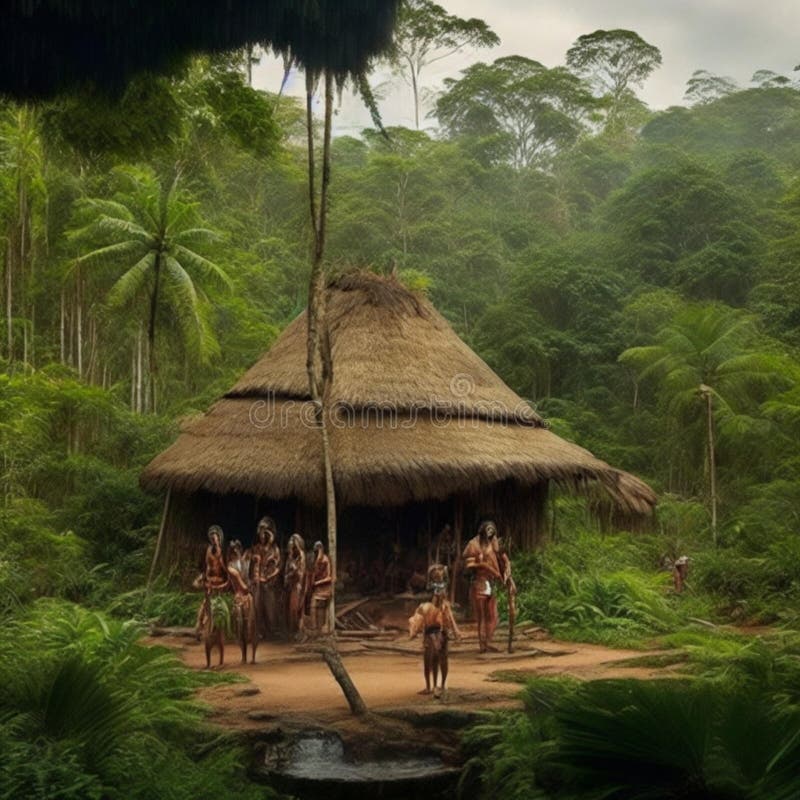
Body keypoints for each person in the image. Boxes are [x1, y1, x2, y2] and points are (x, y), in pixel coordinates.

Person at [409, 565, 460, 698]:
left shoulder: (444, 604)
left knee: (442, 659)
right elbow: (420, 617)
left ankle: (442, 685)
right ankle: (429, 686)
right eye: (436, 575)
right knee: (429, 660)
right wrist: (416, 631)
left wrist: (455, 631)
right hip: (430, 631)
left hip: (441, 631)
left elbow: (450, 618)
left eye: (440, 575)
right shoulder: (428, 600)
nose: (438, 577)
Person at [462, 520, 503, 653]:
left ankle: (488, 641)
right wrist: (483, 565)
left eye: (492, 531)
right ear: (483, 530)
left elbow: (499, 559)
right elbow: (469, 565)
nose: (490, 533)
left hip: (491, 583)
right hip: (479, 582)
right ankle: (482, 646)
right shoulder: (473, 544)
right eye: (488, 530)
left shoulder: (492, 544)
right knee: (482, 618)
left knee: (493, 615)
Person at [251, 517, 282, 639]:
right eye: (260, 531)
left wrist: (268, 577)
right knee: (257, 606)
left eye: (265, 532)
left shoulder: (275, 550)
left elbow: (278, 568)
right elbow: (253, 565)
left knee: (270, 608)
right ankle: (258, 631)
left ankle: (271, 631)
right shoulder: (256, 548)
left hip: (269, 585)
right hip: (258, 583)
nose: (262, 535)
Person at [227, 540, 257, 664]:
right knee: (240, 628)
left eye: (238, 549)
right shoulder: (230, 567)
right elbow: (241, 584)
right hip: (239, 598)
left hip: (248, 598)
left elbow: (252, 575)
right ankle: (244, 656)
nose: (236, 551)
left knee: (253, 626)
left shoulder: (246, 562)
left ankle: (253, 657)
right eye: (234, 550)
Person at [283, 533, 307, 640]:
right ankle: (294, 631)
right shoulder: (290, 557)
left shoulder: (301, 556)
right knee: (290, 610)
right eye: (291, 547)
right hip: (290, 586)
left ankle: (300, 631)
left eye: (294, 546)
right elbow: (287, 572)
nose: (292, 548)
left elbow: (300, 573)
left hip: (298, 586)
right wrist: (289, 575)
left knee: (297, 609)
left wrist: (293, 571)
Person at [309, 540, 333, 634]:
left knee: (317, 606)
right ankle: (315, 629)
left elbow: (329, 577)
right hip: (318, 589)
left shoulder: (325, 560)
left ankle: (319, 629)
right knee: (314, 607)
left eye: (318, 550)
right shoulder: (318, 560)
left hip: (324, 589)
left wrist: (317, 583)